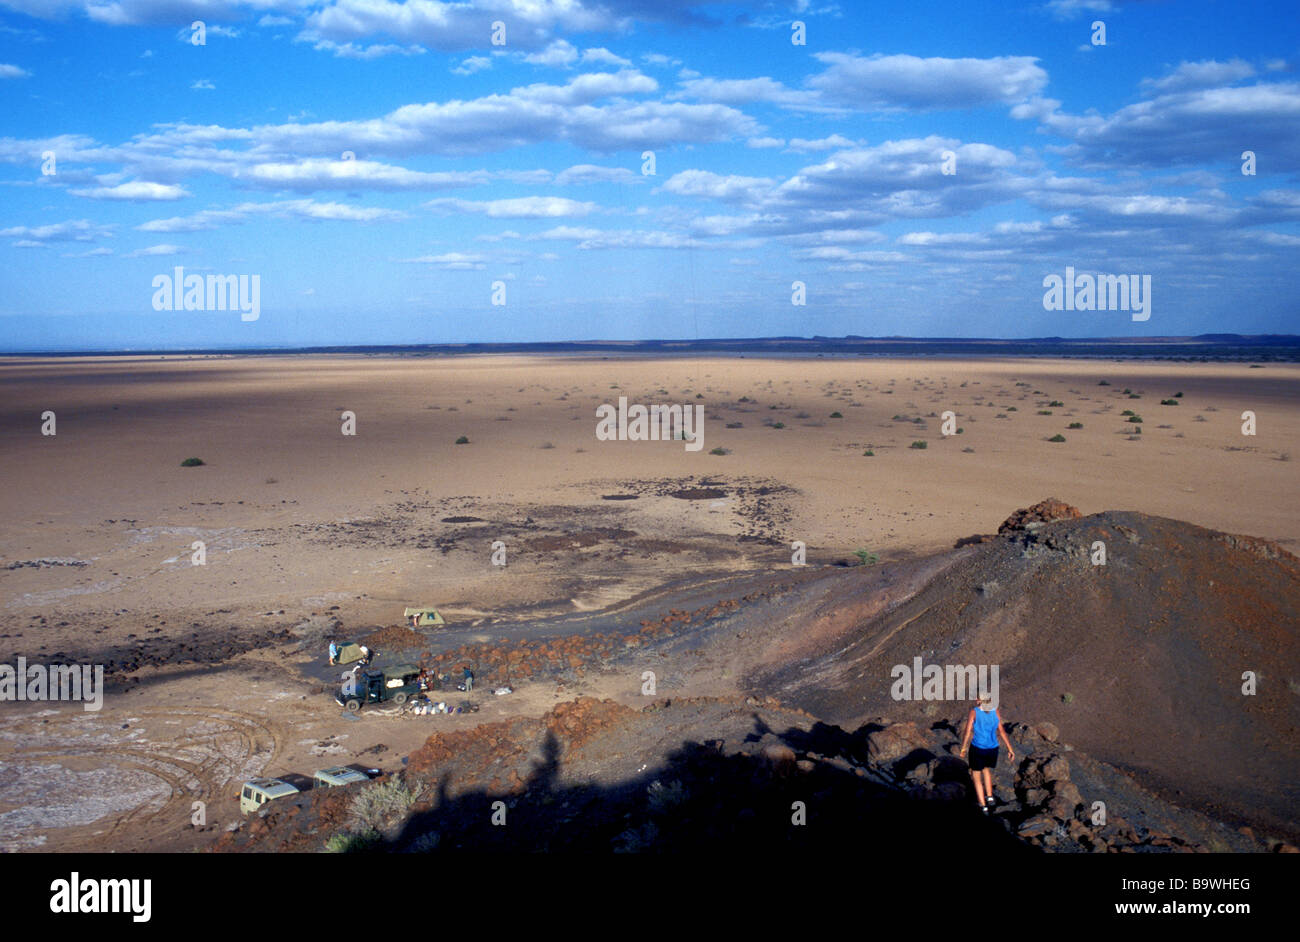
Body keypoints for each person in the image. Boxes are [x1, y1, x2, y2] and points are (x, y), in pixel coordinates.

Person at [959, 692, 1015, 813]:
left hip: (978, 748)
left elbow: (967, 731)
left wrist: (963, 748)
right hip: (992, 748)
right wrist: (1010, 749)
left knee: (976, 776)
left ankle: (983, 806)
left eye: (977, 697)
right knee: (986, 769)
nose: (975, 699)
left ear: (980, 700)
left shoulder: (974, 712)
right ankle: (990, 797)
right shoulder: (995, 710)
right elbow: (1002, 731)